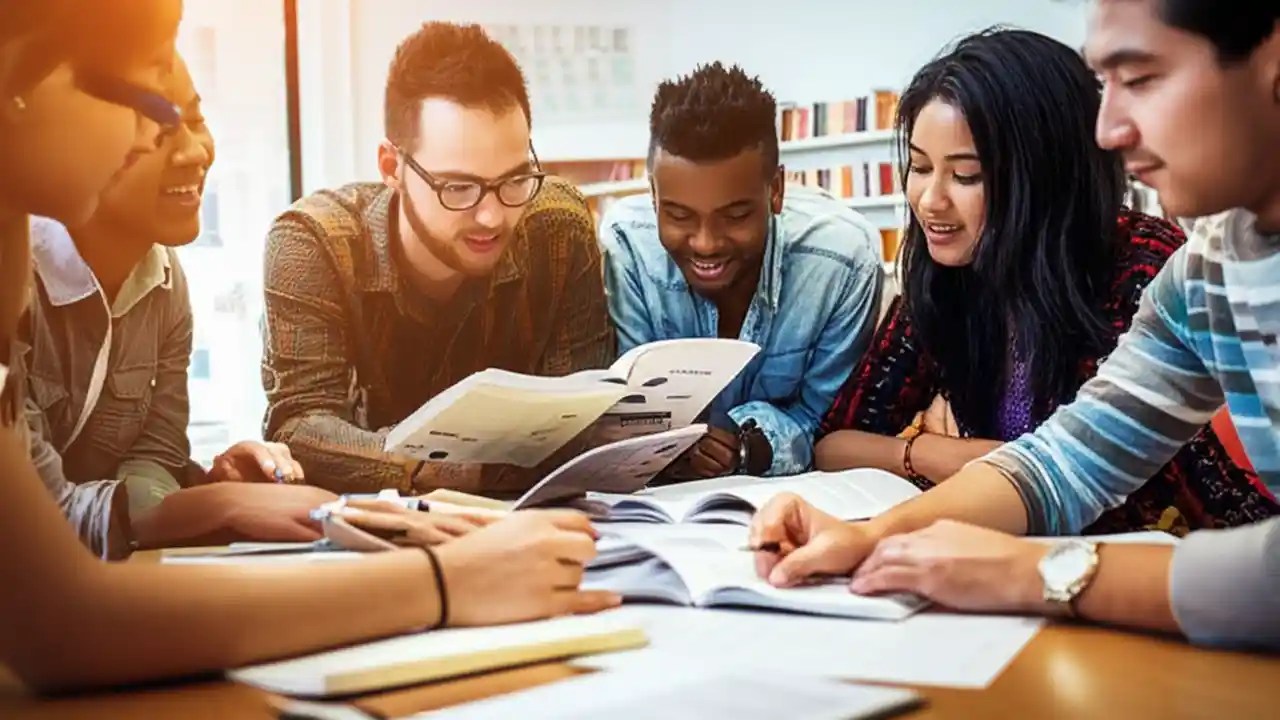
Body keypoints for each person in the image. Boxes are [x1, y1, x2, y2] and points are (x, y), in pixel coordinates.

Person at [0, 0, 617, 692]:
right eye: (143, 94)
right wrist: (445, 583)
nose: (170, 144)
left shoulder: (147, 280)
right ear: (20, 71)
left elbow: (55, 541)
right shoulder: (310, 240)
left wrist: (198, 494)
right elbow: (58, 621)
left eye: (191, 115)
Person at [750, 1, 1280, 650]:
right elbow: (1067, 461)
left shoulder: (1152, 260)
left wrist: (1030, 572)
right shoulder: (1209, 271)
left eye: (1140, 79)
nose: (1109, 129)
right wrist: (865, 537)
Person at [813, 28, 1276, 534]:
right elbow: (1063, 468)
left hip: (1186, 550)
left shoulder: (1149, 268)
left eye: (967, 176)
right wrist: (922, 466)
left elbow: (1112, 494)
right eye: (919, 167)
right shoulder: (944, 278)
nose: (928, 201)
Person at [262, 22, 612, 497]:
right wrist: (451, 472)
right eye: (458, 188)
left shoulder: (557, 228)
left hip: (533, 523)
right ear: (392, 168)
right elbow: (301, 429)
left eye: (514, 180)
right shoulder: (315, 243)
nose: (491, 215)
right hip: (371, 536)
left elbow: (581, 415)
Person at [22, 55, 335, 560]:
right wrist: (216, 506)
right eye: (155, 126)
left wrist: (206, 485)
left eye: (194, 119)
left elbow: (152, 456)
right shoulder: (16, 279)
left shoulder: (165, 282)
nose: (194, 152)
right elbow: (31, 521)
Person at [599, 62, 882, 479]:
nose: (706, 243)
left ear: (776, 190)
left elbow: (829, 425)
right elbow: (625, 408)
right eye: (678, 215)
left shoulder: (842, 264)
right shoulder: (627, 243)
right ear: (653, 194)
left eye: (735, 215)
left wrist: (755, 449)